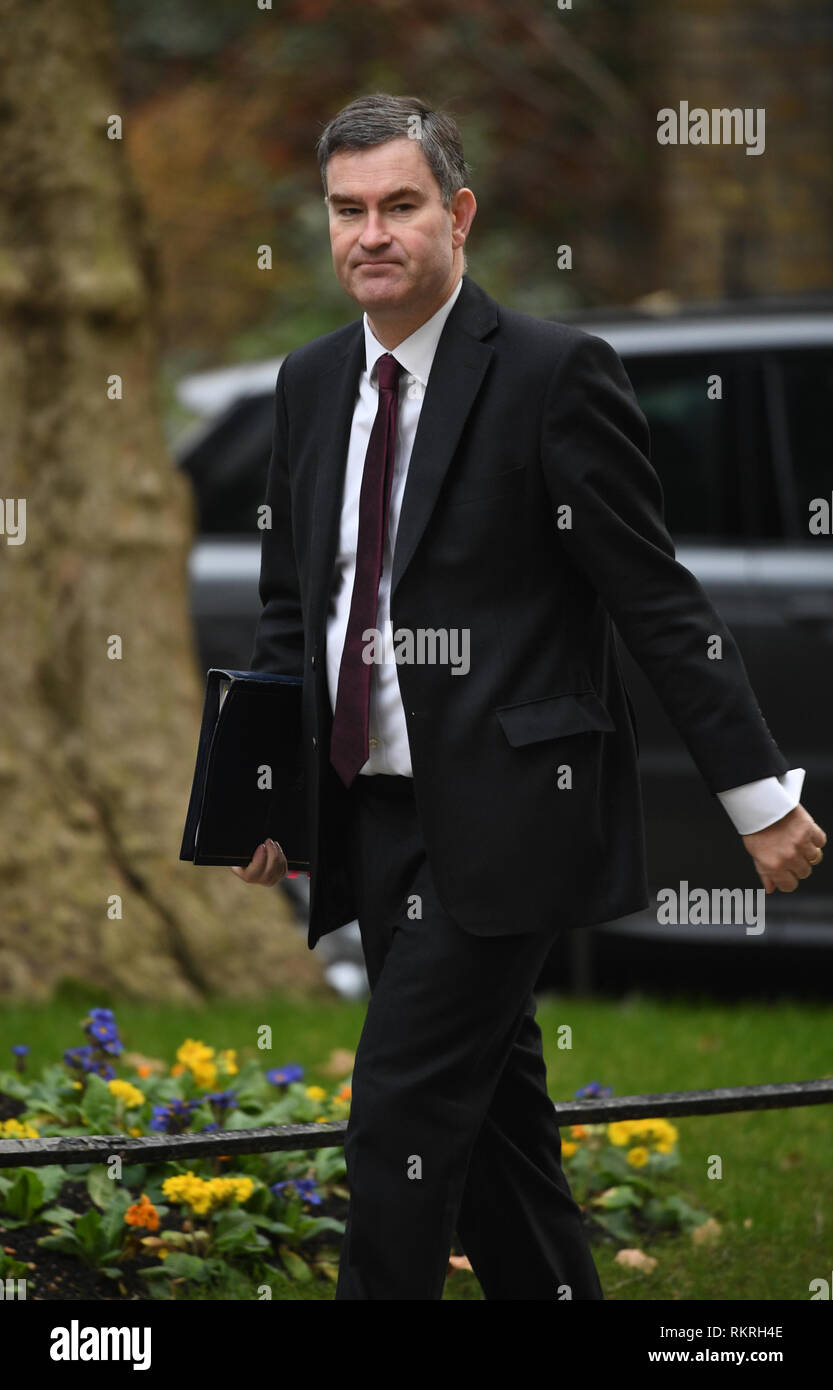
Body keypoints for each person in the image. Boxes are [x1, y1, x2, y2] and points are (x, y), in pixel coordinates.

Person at [234, 93, 826, 1300]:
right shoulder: (305, 387)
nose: (372, 234)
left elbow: (652, 597)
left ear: (457, 215)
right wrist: (272, 789)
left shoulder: (555, 374)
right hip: (371, 812)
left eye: (400, 205)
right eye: (348, 210)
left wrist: (757, 796)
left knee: (396, 1108)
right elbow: (296, 609)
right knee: (495, 1128)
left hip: (511, 807)